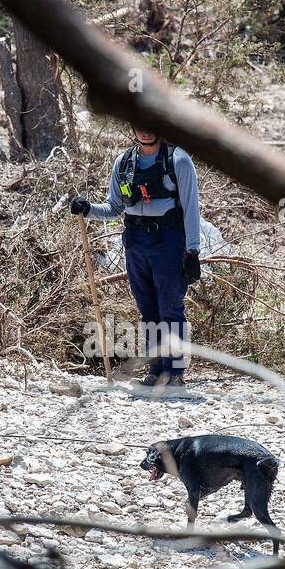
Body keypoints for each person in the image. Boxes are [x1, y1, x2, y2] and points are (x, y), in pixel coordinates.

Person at [71, 125, 201, 389]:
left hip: (169, 242)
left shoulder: (178, 161)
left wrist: (193, 251)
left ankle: (174, 372)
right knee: (147, 310)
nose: (145, 131)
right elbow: (113, 207)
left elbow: (191, 208)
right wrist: (87, 209)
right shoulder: (124, 162)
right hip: (135, 243)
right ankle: (155, 368)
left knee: (170, 308)